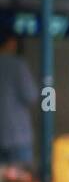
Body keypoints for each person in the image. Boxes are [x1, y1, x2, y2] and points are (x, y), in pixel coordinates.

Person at [0, 23, 39, 172]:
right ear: (11, 42)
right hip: (17, 137)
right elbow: (31, 96)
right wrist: (50, 94)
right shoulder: (17, 65)